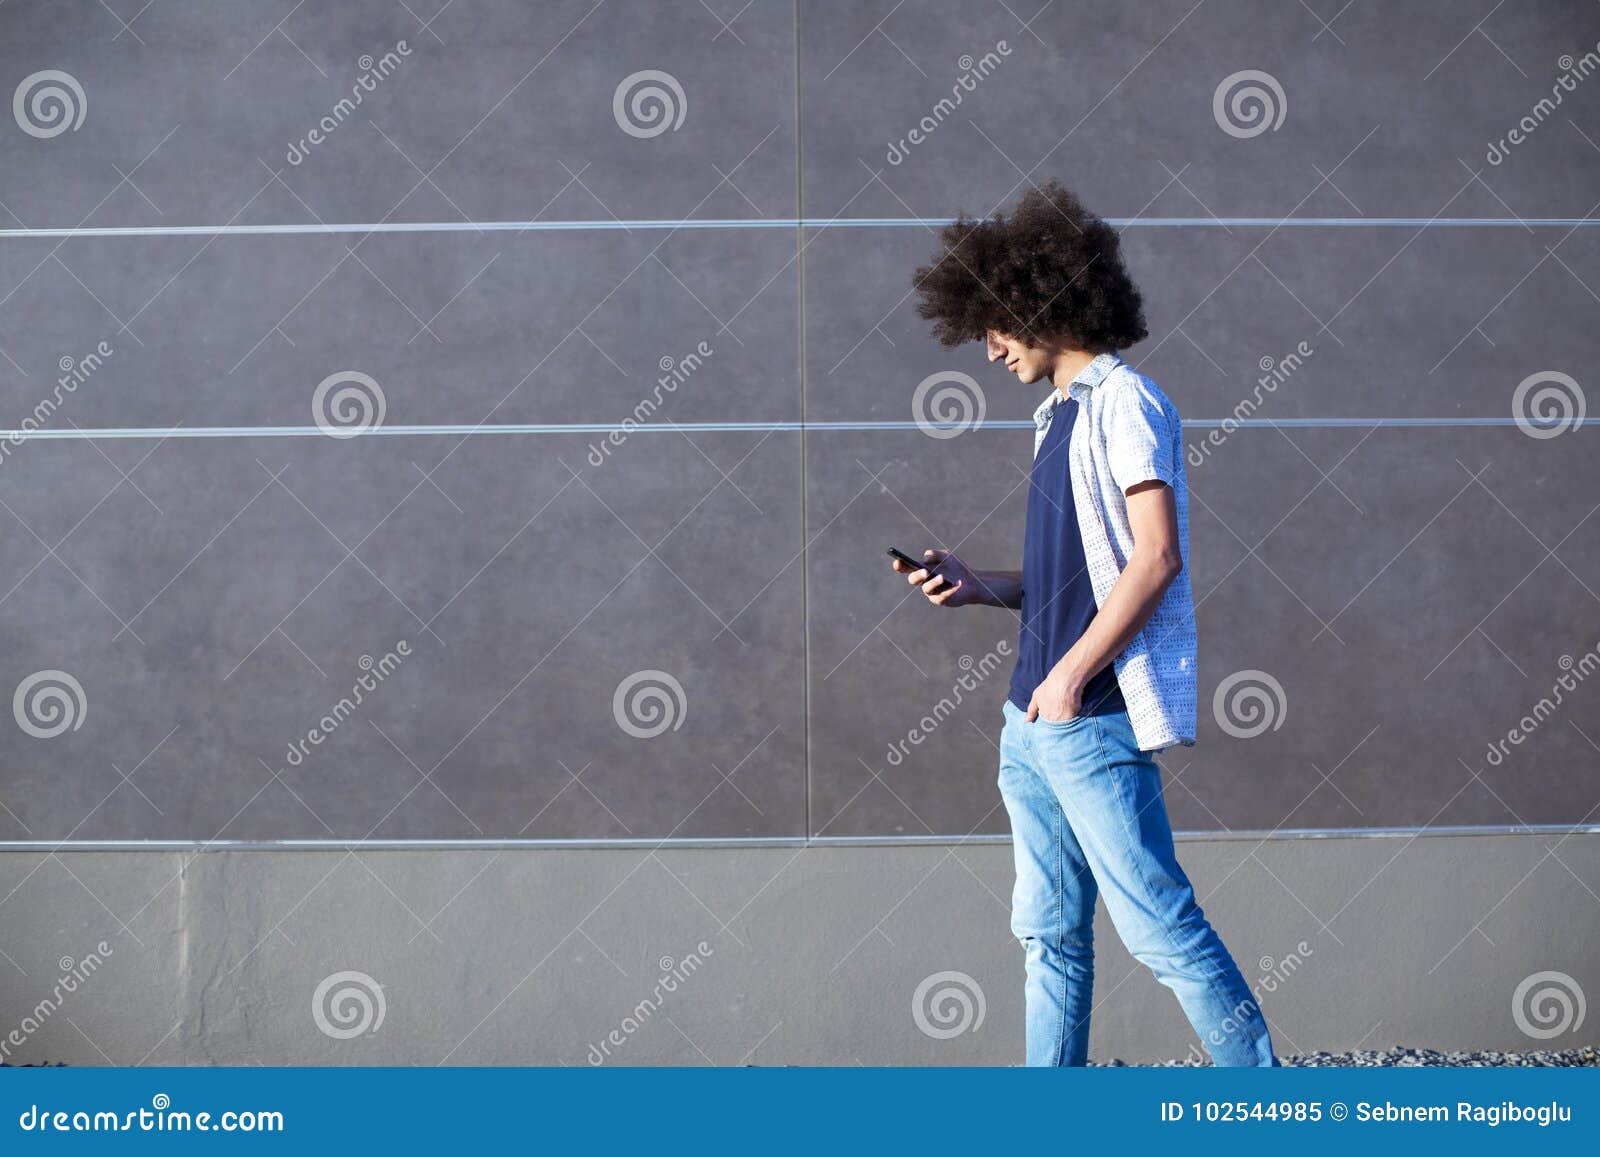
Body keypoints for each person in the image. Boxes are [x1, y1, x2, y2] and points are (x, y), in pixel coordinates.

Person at [891, 181, 1277, 1067]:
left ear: (1043, 302)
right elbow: (1081, 576)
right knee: (1048, 939)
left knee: (1161, 928)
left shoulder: (1128, 403)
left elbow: (1155, 559)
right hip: (1029, 725)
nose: (987, 350)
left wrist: (1067, 678)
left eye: (996, 326)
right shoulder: (1055, 417)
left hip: (1089, 718)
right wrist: (978, 584)